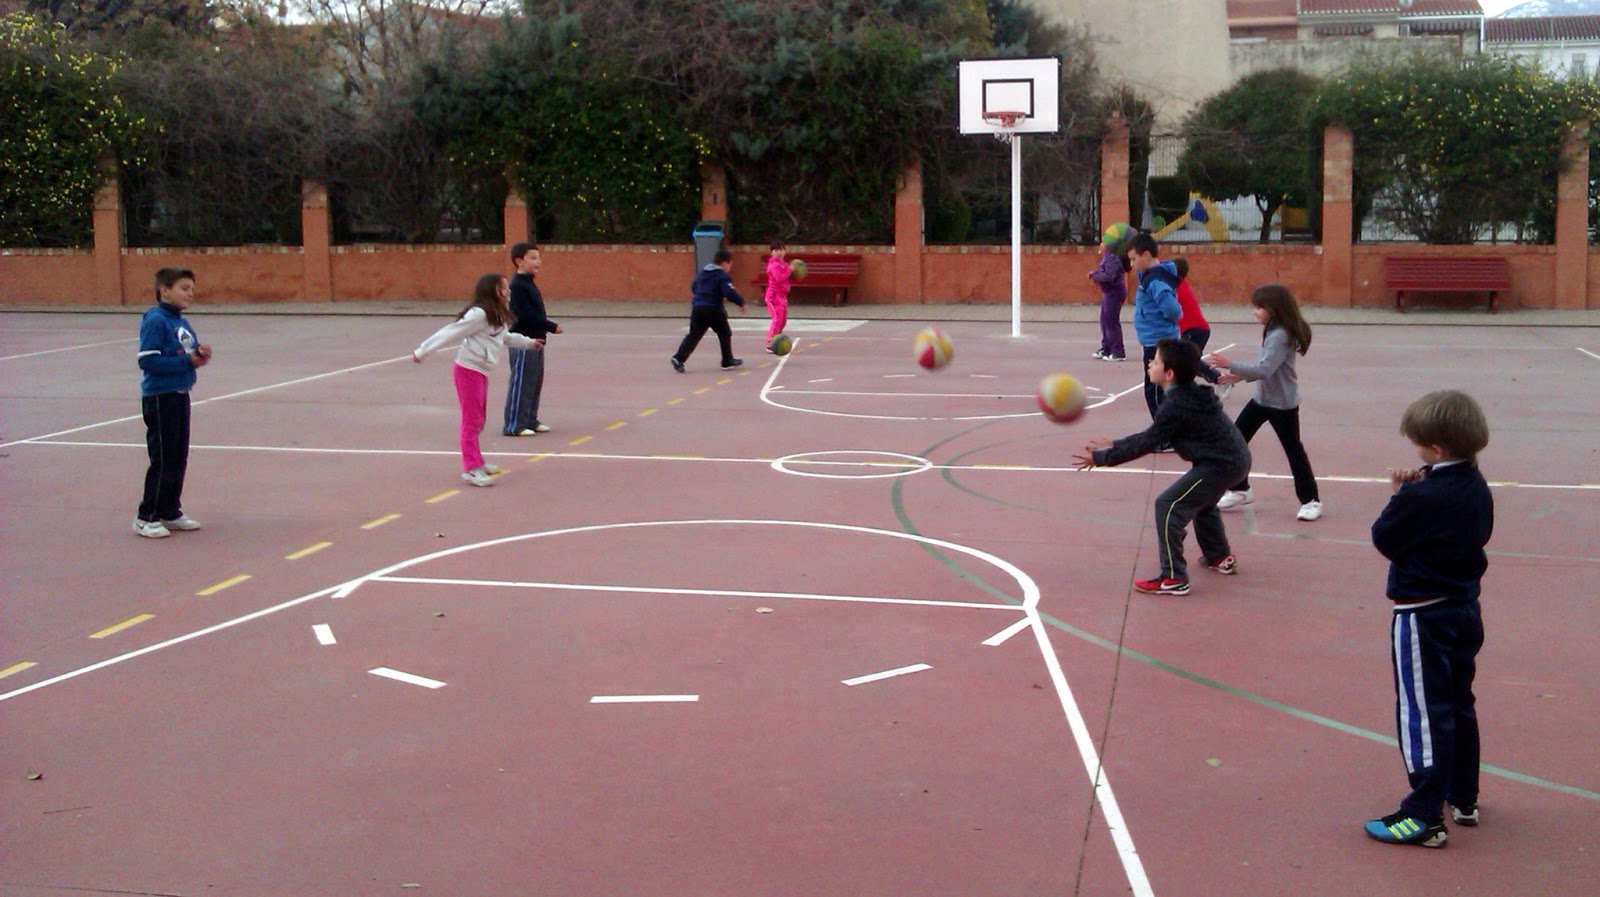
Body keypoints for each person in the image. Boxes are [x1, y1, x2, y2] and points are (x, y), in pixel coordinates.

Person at [1363, 390, 1493, 849]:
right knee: (1458, 701)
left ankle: (1423, 812)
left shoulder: (1427, 495)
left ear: (1436, 449)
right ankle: (1464, 796)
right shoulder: (1474, 483)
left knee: (1422, 711)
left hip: (1422, 614)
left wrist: (1401, 495)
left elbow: (1386, 537)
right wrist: (1419, 488)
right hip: (1463, 608)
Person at [1071, 338, 1251, 596]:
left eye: (1154, 361)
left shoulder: (1177, 404)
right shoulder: (1188, 393)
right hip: (1232, 460)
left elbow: (1149, 441)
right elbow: (1153, 435)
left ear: (1169, 373)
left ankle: (1173, 577)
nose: (1149, 363)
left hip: (1220, 465)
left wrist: (1103, 458)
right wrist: (1117, 443)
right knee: (1202, 501)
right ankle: (1219, 557)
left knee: (1168, 505)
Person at [1204, 284, 1323, 521]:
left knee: (1293, 450)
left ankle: (1311, 501)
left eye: (1259, 307)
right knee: (1236, 440)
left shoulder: (1280, 334)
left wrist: (1230, 365)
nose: (1254, 312)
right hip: (1262, 399)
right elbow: (1267, 368)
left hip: (1282, 404)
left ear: (1273, 308)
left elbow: (1265, 369)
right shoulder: (1273, 329)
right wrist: (1235, 377)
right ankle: (1240, 489)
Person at [414, 273, 543, 487]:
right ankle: (471, 469)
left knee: (479, 419)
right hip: (467, 370)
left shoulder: (497, 314)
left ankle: (478, 462)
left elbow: (506, 338)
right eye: (504, 287)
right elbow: (451, 332)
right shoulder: (478, 314)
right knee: (471, 420)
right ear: (494, 290)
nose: (508, 290)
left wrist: (530, 343)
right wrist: (422, 351)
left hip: (481, 372)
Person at [133, 267, 212, 539]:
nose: (190, 293)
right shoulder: (156, 320)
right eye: (184, 288)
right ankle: (147, 516)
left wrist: (199, 355)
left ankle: (170, 510)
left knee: (179, 455)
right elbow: (148, 360)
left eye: (191, 288)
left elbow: (188, 351)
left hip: (180, 393)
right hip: (160, 397)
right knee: (164, 457)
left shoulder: (180, 322)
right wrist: (186, 361)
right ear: (164, 290)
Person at [502, 242, 562, 437]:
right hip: (522, 341)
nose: (538, 262)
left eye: (538, 258)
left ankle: (529, 419)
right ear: (519, 261)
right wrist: (551, 326)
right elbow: (526, 315)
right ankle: (514, 424)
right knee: (521, 381)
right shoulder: (517, 286)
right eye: (533, 258)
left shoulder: (528, 283)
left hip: (536, 340)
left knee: (534, 381)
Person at [1127, 233, 1181, 421]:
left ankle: (1163, 434)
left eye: (1134, 259)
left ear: (1147, 255)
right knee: (1162, 389)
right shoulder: (1150, 276)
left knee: (1155, 391)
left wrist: (1169, 321)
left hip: (1158, 341)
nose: (1132, 265)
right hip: (1154, 339)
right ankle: (1168, 431)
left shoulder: (1156, 281)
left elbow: (1173, 309)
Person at [671, 248, 745, 372]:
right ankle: (727, 361)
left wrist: (701, 296)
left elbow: (693, 286)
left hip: (698, 308)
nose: (729, 268)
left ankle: (679, 358)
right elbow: (728, 291)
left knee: (694, 334)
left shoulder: (702, 272)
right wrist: (740, 302)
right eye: (730, 265)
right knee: (724, 333)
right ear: (725, 263)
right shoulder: (722, 276)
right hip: (713, 308)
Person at [1088, 233, 1129, 362]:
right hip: (1109, 292)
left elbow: (1109, 276)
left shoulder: (1112, 257)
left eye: (1103, 242)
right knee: (1105, 320)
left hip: (1114, 292)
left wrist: (1095, 276)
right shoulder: (1108, 256)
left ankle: (1118, 351)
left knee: (1111, 321)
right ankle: (1107, 347)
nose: (1101, 244)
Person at [763, 240, 792, 349]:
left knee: (783, 320)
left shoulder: (783, 263)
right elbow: (779, 278)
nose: (779, 252)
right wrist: (789, 270)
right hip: (773, 296)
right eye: (776, 250)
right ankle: (770, 343)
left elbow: (788, 277)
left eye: (781, 249)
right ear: (772, 252)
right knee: (777, 319)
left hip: (782, 296)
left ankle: (777, 339)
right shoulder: (773, 265)